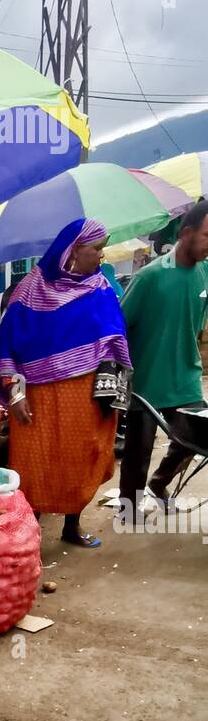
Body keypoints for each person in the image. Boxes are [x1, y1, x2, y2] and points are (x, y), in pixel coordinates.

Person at [0, 218, 132, 548]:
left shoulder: (100, 289)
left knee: (80, 460)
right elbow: (8, 350)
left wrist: (113, 394)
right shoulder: (29, 291)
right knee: (34, 467)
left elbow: (117, 344)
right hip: (35, 399)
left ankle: (71, 526)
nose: (101, 257)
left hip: (85, 399)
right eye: (97, 249)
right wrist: (15, 393)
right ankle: (29, 534)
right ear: (73, 251)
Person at [118, 200, 208, 521]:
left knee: (195, 438)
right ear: (186, 234)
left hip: (185, 376)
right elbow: (119, 327)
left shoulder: (205, 273)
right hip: (147, 378)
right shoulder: (150, 278)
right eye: (207, 235)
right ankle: (128, 511)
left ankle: (159, 483)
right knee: (137, 453)